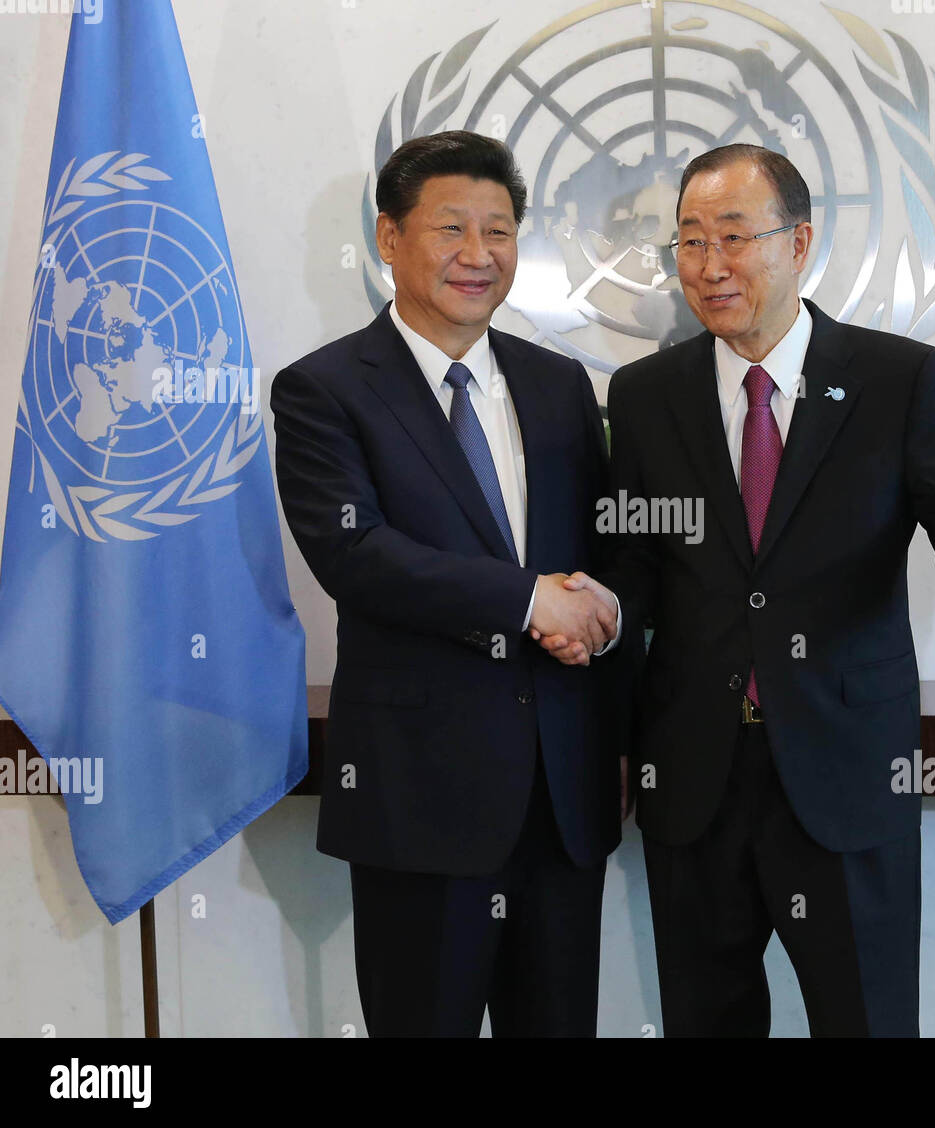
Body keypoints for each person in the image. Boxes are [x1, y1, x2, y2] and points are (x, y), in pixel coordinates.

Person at [538, 143, 935, 1036]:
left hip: (843, 768)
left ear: (800, 241)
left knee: (868, 1020)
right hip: (693, 775)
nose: (710, 265)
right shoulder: (650, 396)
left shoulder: (898, 377)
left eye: (735, 236)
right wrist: (599, 618)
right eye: (690, 242)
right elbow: (636, 563)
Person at [270, 130, 630, 1037]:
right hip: (419, 799)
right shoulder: (323, 391)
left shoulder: (558, 385)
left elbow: (604, 547)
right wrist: (528, 602)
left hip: (561, 798)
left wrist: (605, 611)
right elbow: (357, 555)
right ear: (389, 239)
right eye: (451, 229)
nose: (479, 255)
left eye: (500, 231)